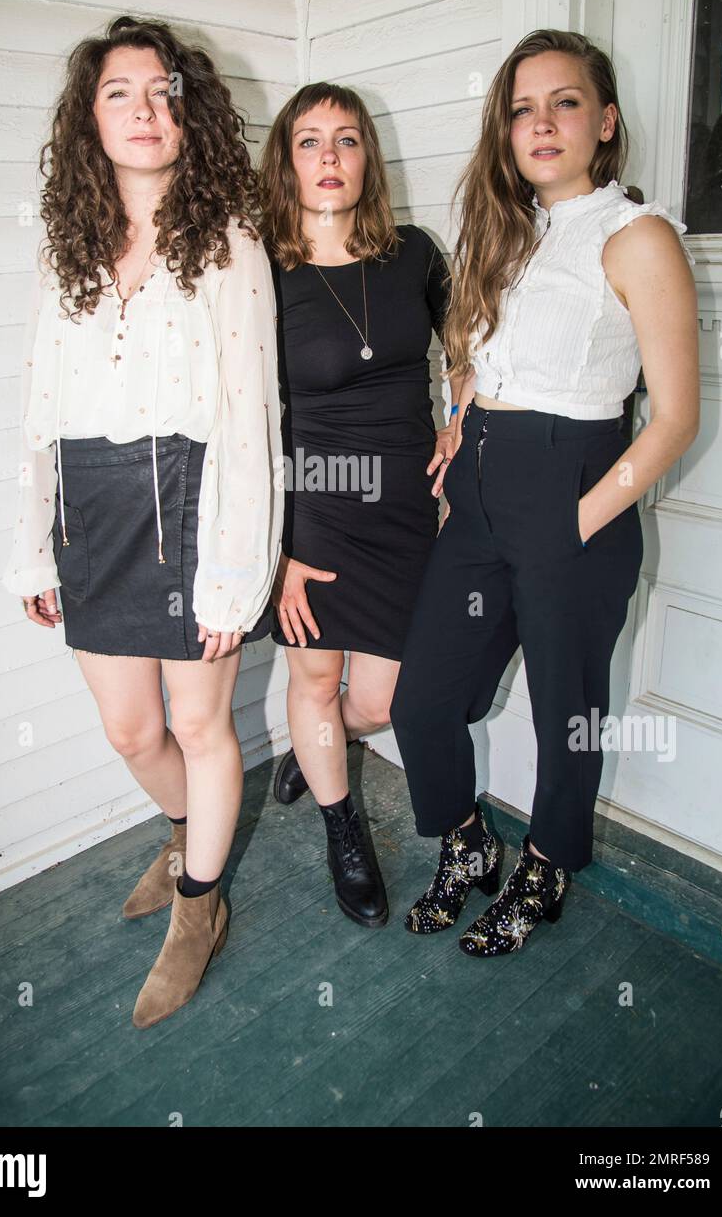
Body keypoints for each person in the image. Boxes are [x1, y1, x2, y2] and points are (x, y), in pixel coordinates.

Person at [389, 29, 700, 955]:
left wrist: (572, 524)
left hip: (576, 496)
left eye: (564, 102)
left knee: (567, 711)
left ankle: (548, 864)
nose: (542, 122)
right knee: (423, 702)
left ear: (603, 122)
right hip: (481, 493)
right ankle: (467, 843)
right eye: (522, 107)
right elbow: (486, 362)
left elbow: (674, 418)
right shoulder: (508, 233)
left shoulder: (634, 236)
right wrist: (459, 417)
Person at [1, 15, 283, 1026]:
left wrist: (232, 575)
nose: (144, 110)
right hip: (91, 509)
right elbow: (38, 402)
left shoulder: (229, 243)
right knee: (131, 728)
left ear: (189, 112)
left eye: (163, 91)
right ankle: (184, 841)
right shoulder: (64, 249)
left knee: (201, 723)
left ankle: (199, 908)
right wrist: (35, 537)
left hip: (187, 505)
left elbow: (252, 420)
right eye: (119, 92)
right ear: (90, 118)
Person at [258, 83, 462, 927]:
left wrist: (459, 417)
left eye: (346, 140)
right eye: (310, 142)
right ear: (287, 162)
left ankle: (321, 748)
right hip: (318, 510)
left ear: (367, 158)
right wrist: (282, 546)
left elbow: (469, 345)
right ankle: (344, 833)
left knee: (378, 700)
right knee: (315, 676)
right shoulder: (260, 273)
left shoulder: (414, 252)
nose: (330, 158)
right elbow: (242, 417)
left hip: (407, 507)